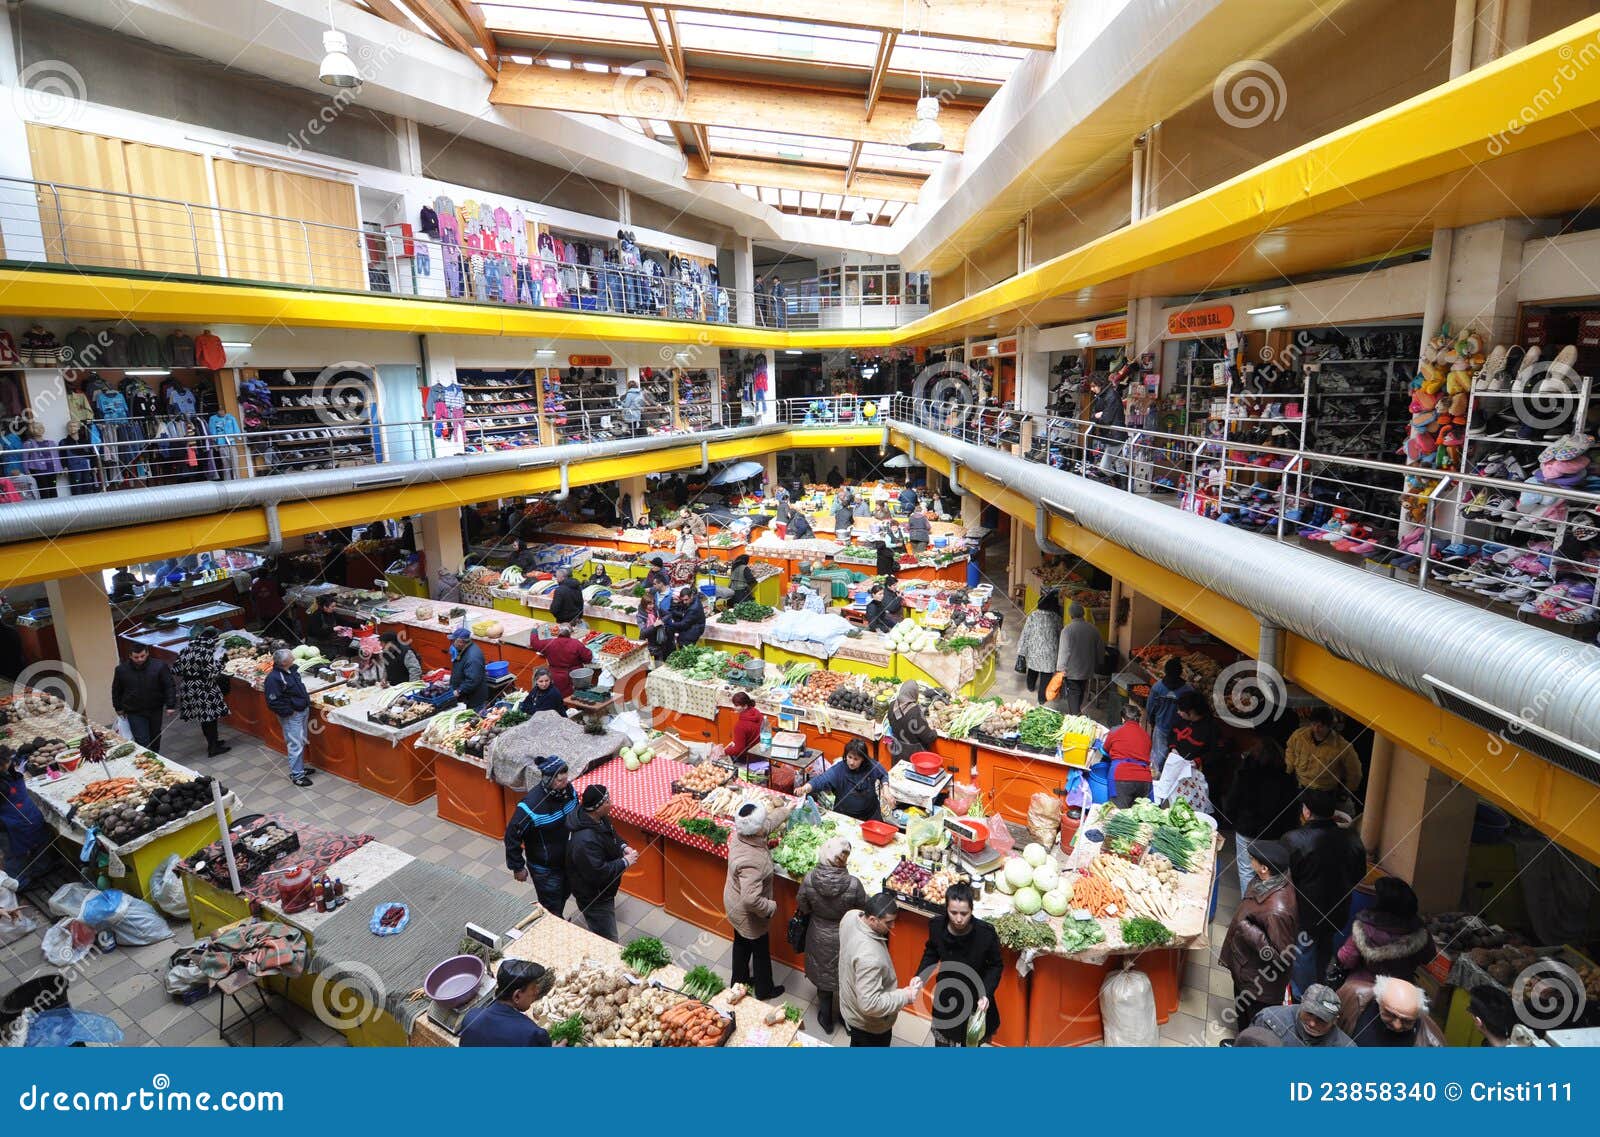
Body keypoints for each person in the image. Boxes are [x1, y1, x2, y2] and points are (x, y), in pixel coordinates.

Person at [1284, 788, 1367, 996]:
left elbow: (1283, 879)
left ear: (1306, 812)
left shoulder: (1294, 839)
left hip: (1305, 913)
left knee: (1303, 953)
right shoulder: (1352, 839)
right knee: (1324, 950)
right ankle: (1317, 989)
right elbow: (1359, 874)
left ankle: (1302, 998)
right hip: (1337, 911)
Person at [1220, 839, 1300, 1030]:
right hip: (1247, 970)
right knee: (1242, 1015)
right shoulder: (1270, 880)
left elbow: (1281, 957)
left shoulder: (1277, 910)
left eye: (1252, 859)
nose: (1249, 862)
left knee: (1254, 1025)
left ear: (1264, 868)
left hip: (1259, 984)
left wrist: (1248, 930)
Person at [795, 835, 867, 1035]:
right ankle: (848, 1021)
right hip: (846, 935)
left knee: (823, 977)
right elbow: (862, 909)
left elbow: (802, 904)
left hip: (818, 933)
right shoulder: (854, 884)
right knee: (846, 980)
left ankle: (825, 1019)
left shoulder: (810, 878)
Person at [917, 881, 1003, 1046]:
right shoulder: (936, 926)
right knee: (942, 1042)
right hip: (947, 993)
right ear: (946, 909)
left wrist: (986, 993)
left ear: (972, 909)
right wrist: (920, 976)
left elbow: (995, 965)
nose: (958, 919)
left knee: (970, 1042)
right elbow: (931, 952)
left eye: (964, 913)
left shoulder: (985, 933)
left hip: (975, 995)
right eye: (953, 912)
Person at [723, 799, 793, 999]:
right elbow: (750, 900)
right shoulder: (752, 860)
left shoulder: (741, 835)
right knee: (760, 949)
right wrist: (770, 907)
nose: (764, 826)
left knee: (741, 943)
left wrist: (786, 810)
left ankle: (739, 981)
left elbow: (767, 825)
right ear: (755, 828)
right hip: (747, 912)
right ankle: (764, 990)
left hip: (732, 901)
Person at [838, 892, 923, 1046]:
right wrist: (906, 996)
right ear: (872, 919)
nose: (893, 926)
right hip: (868, 1025)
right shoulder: (870, 957)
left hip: (849, 1002)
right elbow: (870, 1004)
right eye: (888, 922)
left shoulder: (851, 916)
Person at [1222, 736, 1302, 896]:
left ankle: (1249, 906)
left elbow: (1233, 798)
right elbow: (1293, 808)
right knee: (1270, 871)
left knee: (1246, 870)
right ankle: (1266, 904)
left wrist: (1231, 819)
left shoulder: (1246, 773)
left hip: (1248, 829)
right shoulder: (1287, 777)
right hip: (1275, 833)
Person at [1328, 876, 1433, 989]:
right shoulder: (1420, 934)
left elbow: (1347, 959)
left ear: (1380, 903)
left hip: (1364, 987)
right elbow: (1428, 957)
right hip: (1402, 988)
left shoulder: (1363, 928)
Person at [505, 755, 576, 917]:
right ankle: (553, 931)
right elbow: (512, 835)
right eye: (559, 781)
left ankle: (558, 920)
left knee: (564, 895)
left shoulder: (569, 792)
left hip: (567, 861)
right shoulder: (531, 805)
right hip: (545, 869)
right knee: (551, 906)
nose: (564, 784)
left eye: (565, 780)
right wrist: (517, 866)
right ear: (547, 779)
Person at [566, 784, 635, 941]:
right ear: (597, 808)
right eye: (607, 801)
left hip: (604, 890)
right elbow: (598, 872)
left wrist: (623, 846)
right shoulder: (585, 840)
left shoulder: (598, 818)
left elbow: (611, 835)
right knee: (607, 937)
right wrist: (625, 862)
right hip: (594, 896)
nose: (610, 803)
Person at [459, 960, 555, 1047]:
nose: (537, 991)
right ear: (517, 996)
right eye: (533, 988)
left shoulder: (471, 1017)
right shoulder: (533, 1035)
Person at [172, 625, 231, 757]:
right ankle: (213, 747)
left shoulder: (186, 649)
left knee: (203, 718)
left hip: (188, 686)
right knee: (210, 718)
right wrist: (222, 663)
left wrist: (190, 671)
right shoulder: (206, 652)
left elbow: (175, 670)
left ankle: (213, 742)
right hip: (204, 687)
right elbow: (211, 674)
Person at [797, 738, 887, 822]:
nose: (851, 762)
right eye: (849, 757)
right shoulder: (839, 769)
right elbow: (821, 780)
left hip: (871, 815)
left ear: (863, 759)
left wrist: (886, 789)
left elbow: (883, 774)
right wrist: (805, 788)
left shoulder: (870, 765)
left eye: (856, 759)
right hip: (844, 817)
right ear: (845, 755)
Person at [1285, 707, 1363, 801]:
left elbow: (1355, 772)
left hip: (1323, 793)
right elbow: (1290, 749)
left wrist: (1347, 790)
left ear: (1329, 726)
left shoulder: (1343, 747)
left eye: (1320, 726)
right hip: (1298, 784)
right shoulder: (1299, 735)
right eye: (1313, 724)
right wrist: (1289, 768)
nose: (1316, 729)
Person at [1341, 975, 1442, 1047]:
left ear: (1418, 1015)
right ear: (1378, 1000)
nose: (1397, 1025)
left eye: (1407, 1021)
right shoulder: (1351, 995)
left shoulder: (1433, 1042)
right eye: (1390, 1014)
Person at [111, 646, 176, 755]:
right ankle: (147, 758)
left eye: (142, 656)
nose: (140, 659)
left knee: (155, 735)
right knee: (142, 738)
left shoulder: (159, 666)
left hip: (155, 707)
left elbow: (169, 685)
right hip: (134, 710)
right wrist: (118, 707)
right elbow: (116, 690)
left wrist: (170, 704)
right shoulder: (121, 670)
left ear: (147, 653)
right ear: (130, 656)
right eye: (136, 657)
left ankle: (156, 755)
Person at [263, 648, 313, 786]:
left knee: (301, 741)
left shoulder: (292, 670)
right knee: (295, 744)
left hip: (301, 710)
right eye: (291, 657)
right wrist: (290, 712)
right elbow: (273, 701)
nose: (294, 657)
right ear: (285, 662)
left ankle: (300, 768)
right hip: (293, 715)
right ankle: (297, 775)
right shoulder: (273, 679)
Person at [1172, 690, 1231, 807]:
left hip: (1202, 775)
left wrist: (1199, 761)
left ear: (1192, 712)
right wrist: (1173, 748)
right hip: (1181, 771)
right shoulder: (1182, 721)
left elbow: (1218, 752)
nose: (1178, 712)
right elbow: (1172, 735)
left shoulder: (1212, 728)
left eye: (1181, 710)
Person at [1249, 984, 1355, 1047]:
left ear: (1334, 1021)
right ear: (1302, 1004)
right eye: (1309, 1014)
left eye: (1322, 1019)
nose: (1312, 1023)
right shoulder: (1268, 1020)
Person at [1099, 702, 1153, 807]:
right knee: (1138, 817)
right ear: (1138, 719)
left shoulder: (1115, 730)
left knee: (1119, 816)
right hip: (1145, 780)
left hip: (1122, 777)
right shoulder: (1146, 736)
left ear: (1123, 719)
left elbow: (1105, 749)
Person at [1144, 658, 1193, 772]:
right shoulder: (1188, 690)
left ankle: (1156, 779)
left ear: (1165, 671)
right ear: (1181, 672)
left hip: (1161, 726)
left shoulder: (1157, 687)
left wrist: (1152, 722)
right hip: (1180, 731)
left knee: (1157, 757)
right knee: (1174, 758)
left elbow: (1150, 708)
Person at [1054, 602, 1103, 715]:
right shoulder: (1093, 629)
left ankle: (1075, 715)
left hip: (1072, 670)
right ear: (1083, 614)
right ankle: (1076, 711)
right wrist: (1099, 662)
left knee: (1074, 692)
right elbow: (1100, 648)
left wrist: (1060, 669)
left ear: (1071, 615)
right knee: (1081, 690)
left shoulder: (1067, 630)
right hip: (1087, 669)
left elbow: (1064, 651)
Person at [1017, 592, 1063, 703]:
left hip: (1034, 650)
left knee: (1032, 669)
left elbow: (1026, 633)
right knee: (1046, 675)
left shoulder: (1033, 616)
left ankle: (1030, 686)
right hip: (1050, 652)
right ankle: (1042, 698)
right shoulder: (1056, 618)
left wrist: (1021, 650)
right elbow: (1060, 634)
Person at [526, 624, 593, 697]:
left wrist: (534, 630)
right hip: (575, 677)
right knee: (575, 698)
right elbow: (588, 658)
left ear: (558, 633)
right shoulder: (576, 643)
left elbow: (534, 643)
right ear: (570, 633)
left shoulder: (550, 643)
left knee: (558, 697)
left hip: (556, 677)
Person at [884, 680, 937, 765]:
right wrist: (934, 732)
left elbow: (892, 725)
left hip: (898, 753)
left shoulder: (892, 705)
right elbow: (928, 737)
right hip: (914, 755)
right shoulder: (914, 711)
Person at [448, 626, 489, 712]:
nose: (451, 643)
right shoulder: (463, 650)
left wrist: (459, 691)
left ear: (460, 642)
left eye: (453, 641)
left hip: (474, 700)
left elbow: (472, 681)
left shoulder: (472, 658)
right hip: (466, 698)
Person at [303, 594, 350, 659]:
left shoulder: (332, 613)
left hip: (326, 641)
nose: (334, 608)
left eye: (335, 606)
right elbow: (316, 632)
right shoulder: (316, 616)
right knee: (332, 654)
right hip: (316, 644)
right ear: (325, 606)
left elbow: (344, 621)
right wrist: (333, 629)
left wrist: (360, 625)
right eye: (332, 606)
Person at [726, 690, 766, 762]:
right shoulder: (756, 712)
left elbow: (738, 750)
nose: (733, 707)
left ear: (745, 706)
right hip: (761, 753)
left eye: (736, 705)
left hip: (749, 758)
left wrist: (725, 751)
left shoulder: (740, 726)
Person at [664, 586, 706, 651]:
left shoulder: (693, 609)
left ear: (691, 596)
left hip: (694, 630)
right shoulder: (694, 600)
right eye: (683, 600)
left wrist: (670, 624)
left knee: (684, 646)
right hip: (694, 625)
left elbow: (683, 624)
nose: (684, 602)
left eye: (686, 600)